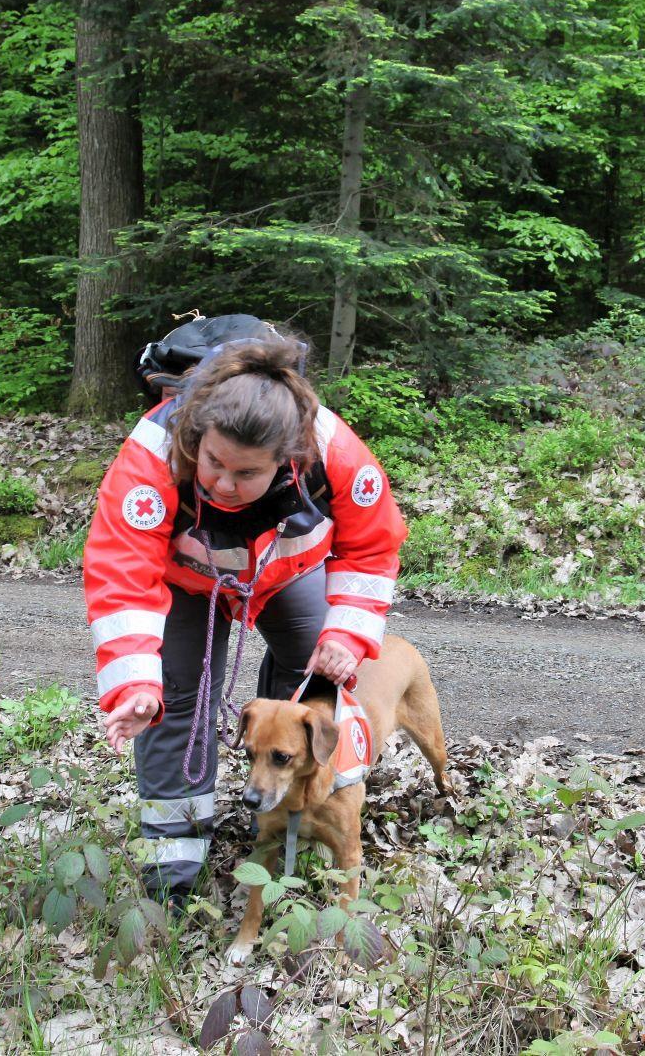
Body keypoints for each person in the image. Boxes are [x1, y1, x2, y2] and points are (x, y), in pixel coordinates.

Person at [82, 331, 407, 897]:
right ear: (198, 435)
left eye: (247, 474)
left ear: (290, 458)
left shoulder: (333, 451)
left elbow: (373, 544)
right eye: (212, 464)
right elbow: (121, 569)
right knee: (173, 700)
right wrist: (137, 680)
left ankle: (299, 825)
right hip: (183, 582)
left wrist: (348, 630)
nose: (224, 485)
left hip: (288, 572)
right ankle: (173, 879)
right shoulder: (152, 453)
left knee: (317, 682)